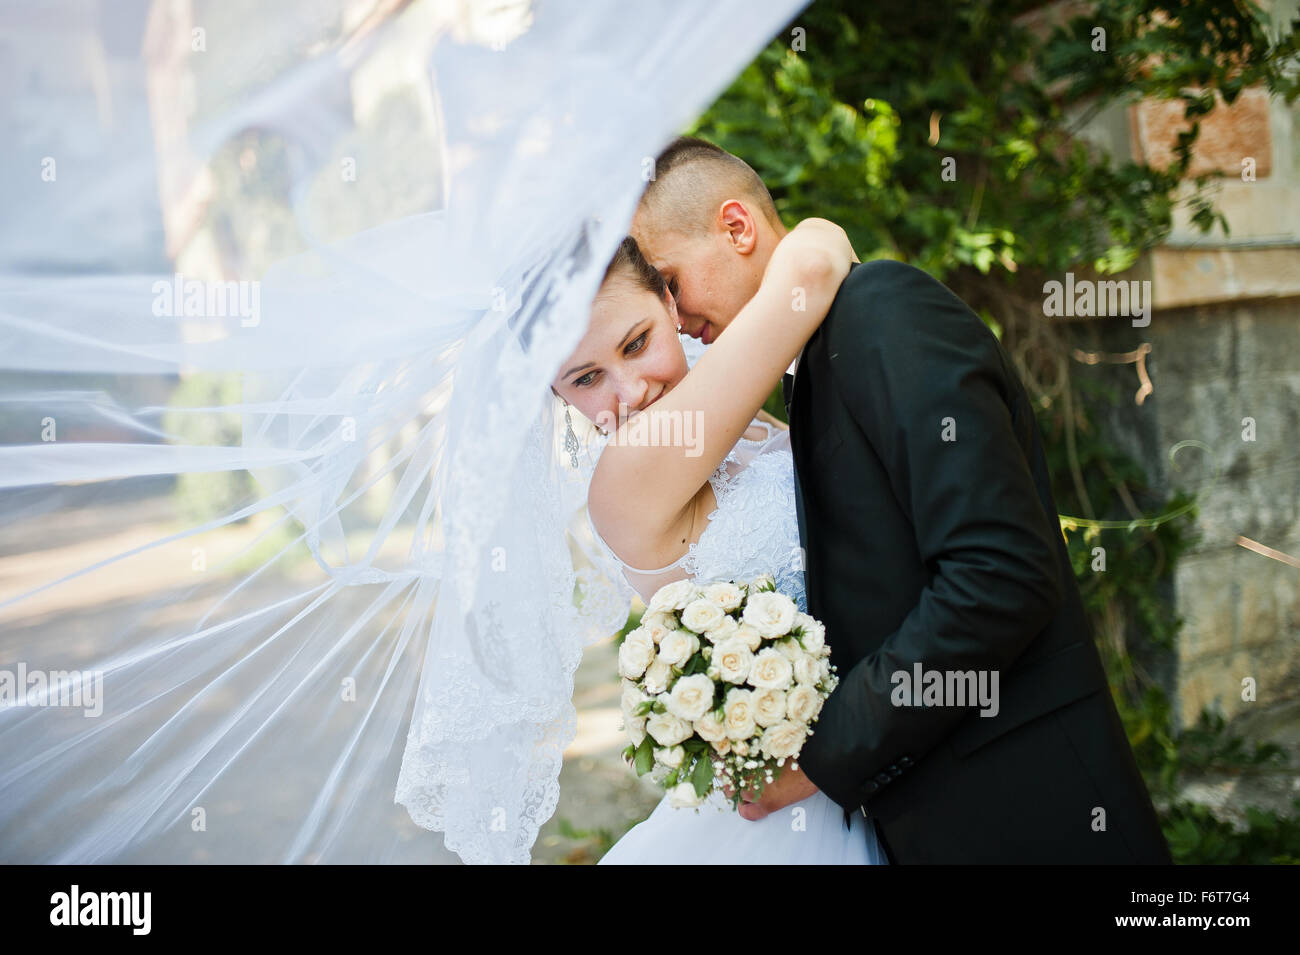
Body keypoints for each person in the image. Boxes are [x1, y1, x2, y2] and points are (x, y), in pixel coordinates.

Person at [623, 136, 1173, 863]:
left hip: (1035, 807)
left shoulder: (883, 311)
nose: (675, 314)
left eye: (669, 279)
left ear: (737, 228)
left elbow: (1000, 575)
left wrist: (818, 758)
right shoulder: (808, 376)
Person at [551, 225, 887, 864]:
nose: (630, 393)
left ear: (672, 305)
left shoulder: (724, 403)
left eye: (637, 343)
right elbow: (815, 261)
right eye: (587, 378)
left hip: (870, 766)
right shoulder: (625, 478)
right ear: (558, 393)